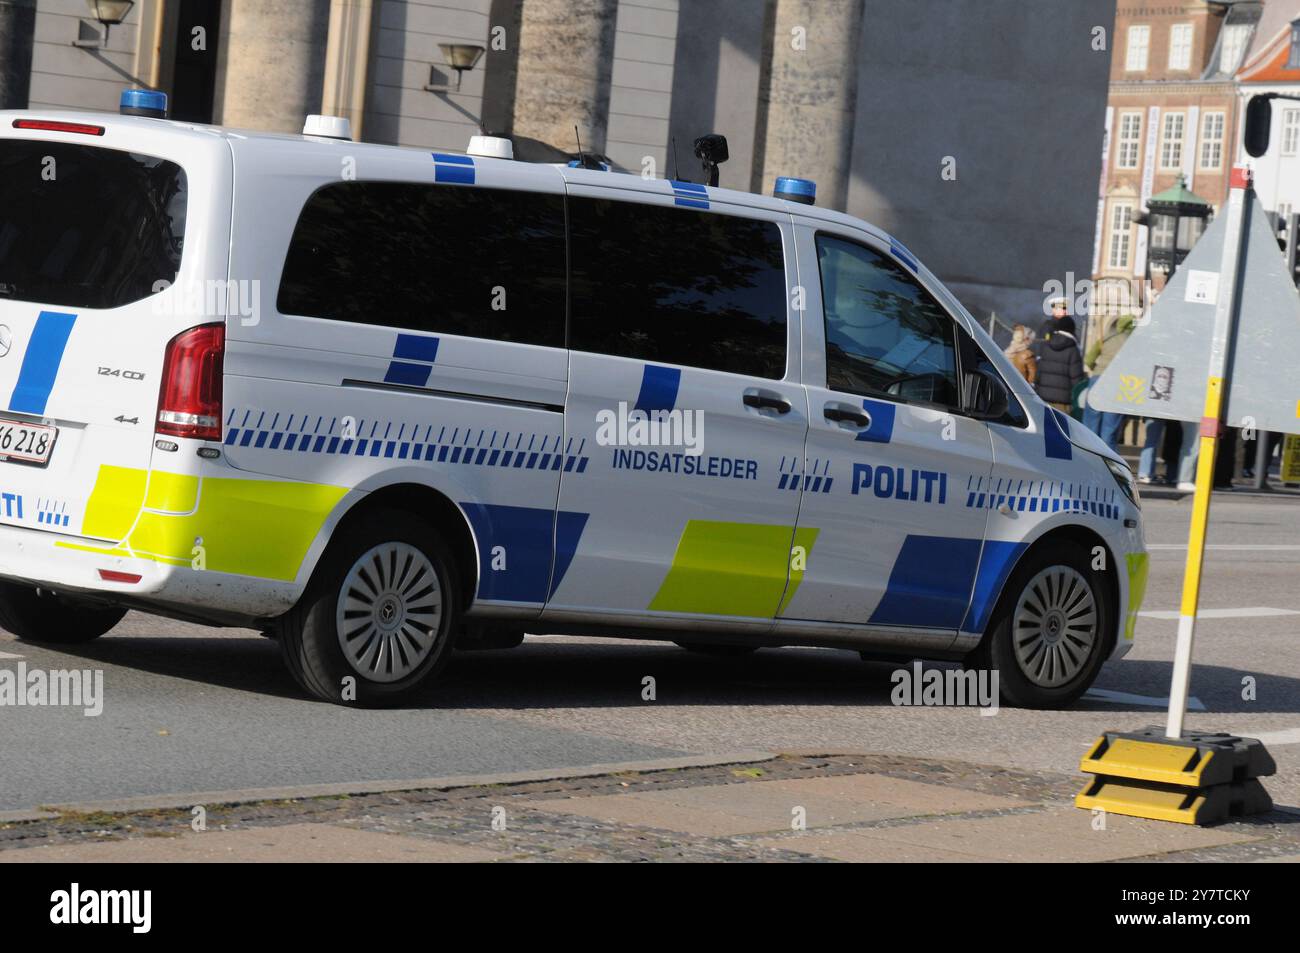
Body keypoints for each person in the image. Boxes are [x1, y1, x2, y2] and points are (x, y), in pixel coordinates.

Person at [1081, 314, 1134, 450]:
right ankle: (1107, 463)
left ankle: (1086, 457)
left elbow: (1088, 360)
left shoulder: (1106, 338)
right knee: (1109, 429)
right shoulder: (1133, 342)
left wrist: (1096, 369)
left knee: (1090, 425)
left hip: (1098, 380)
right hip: (1118, 383)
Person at [1034, 313, 1086, 413]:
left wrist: (1037, 390)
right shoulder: (1073, 349)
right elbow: (1076, 379)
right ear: (1072, 329)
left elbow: (1039, 372)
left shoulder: (1046, 346)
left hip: (1043, 398)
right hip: (1063, 402)